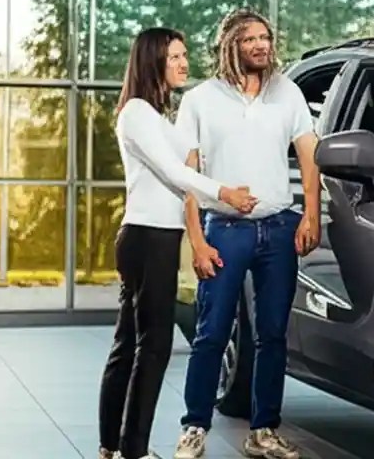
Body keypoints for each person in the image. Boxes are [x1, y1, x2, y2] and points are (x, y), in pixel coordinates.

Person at [98, 27, 258, 459]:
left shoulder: (156, 115)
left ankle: (111, 448)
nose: (184, 63)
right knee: (152, 347)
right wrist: (224, 192)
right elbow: (175, 173)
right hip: (148, 238)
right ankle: (132, 450)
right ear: (152, 61)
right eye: (175, 57)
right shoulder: (135, 112)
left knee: (129, 342)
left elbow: (188, 159)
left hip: (152, 237)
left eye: (185, 55)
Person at [173, 8, 322, 459]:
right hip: (225, 231)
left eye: (265, 37)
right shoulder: (200, 100)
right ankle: (194, 426)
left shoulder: (288, 93)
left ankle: (263, 432)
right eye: (250, 39)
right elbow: (188, 176)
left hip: (280, 230)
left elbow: (310, 155)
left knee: (273, 334)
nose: (261, 45)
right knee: (212, 331)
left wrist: (310, 213)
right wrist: (197, 241)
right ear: (229, 46)